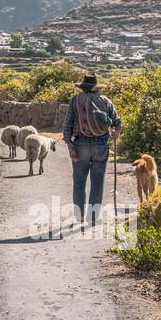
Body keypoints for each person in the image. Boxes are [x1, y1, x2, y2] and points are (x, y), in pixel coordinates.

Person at [63, 72, 121, 225]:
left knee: (79, 181)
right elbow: (117, 122)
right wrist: (115, 134)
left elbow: (67, 125)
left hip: (81, 144)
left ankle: (80, 215)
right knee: (97, 181)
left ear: (83, 87)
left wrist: (70, 145)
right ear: (96, 87)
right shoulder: (105, 100)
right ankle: (93, 217)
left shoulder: (76, 101)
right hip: (101, 145)